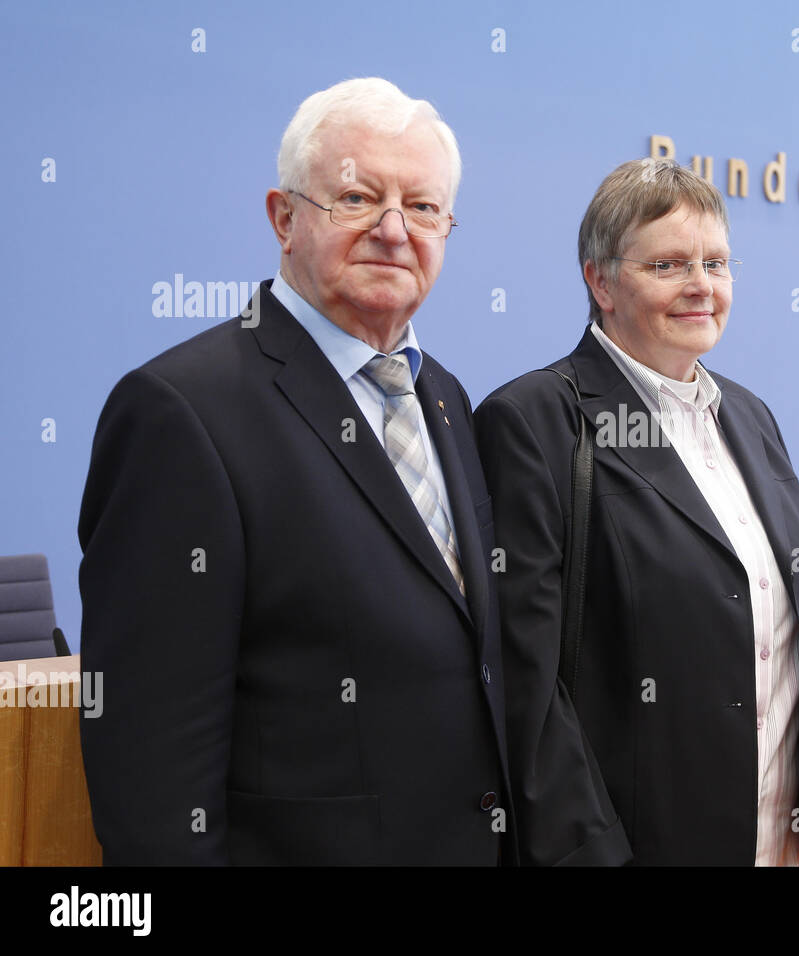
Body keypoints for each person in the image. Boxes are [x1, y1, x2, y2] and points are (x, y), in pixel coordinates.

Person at [78, 78, 511, 865]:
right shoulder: (182, 411)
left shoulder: (443, 396)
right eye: (356, 198)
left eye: (421, 207)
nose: (392, 229)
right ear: (284, 218)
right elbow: (151, 760)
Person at [475, 159, 799, 866]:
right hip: (634, 844)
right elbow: (527, 685)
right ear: (600, 280)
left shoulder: (748, 415)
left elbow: (794, 633)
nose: (701, 286)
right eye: (670, 265)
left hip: (777, 837)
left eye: (715, 262)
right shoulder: (533, 422)